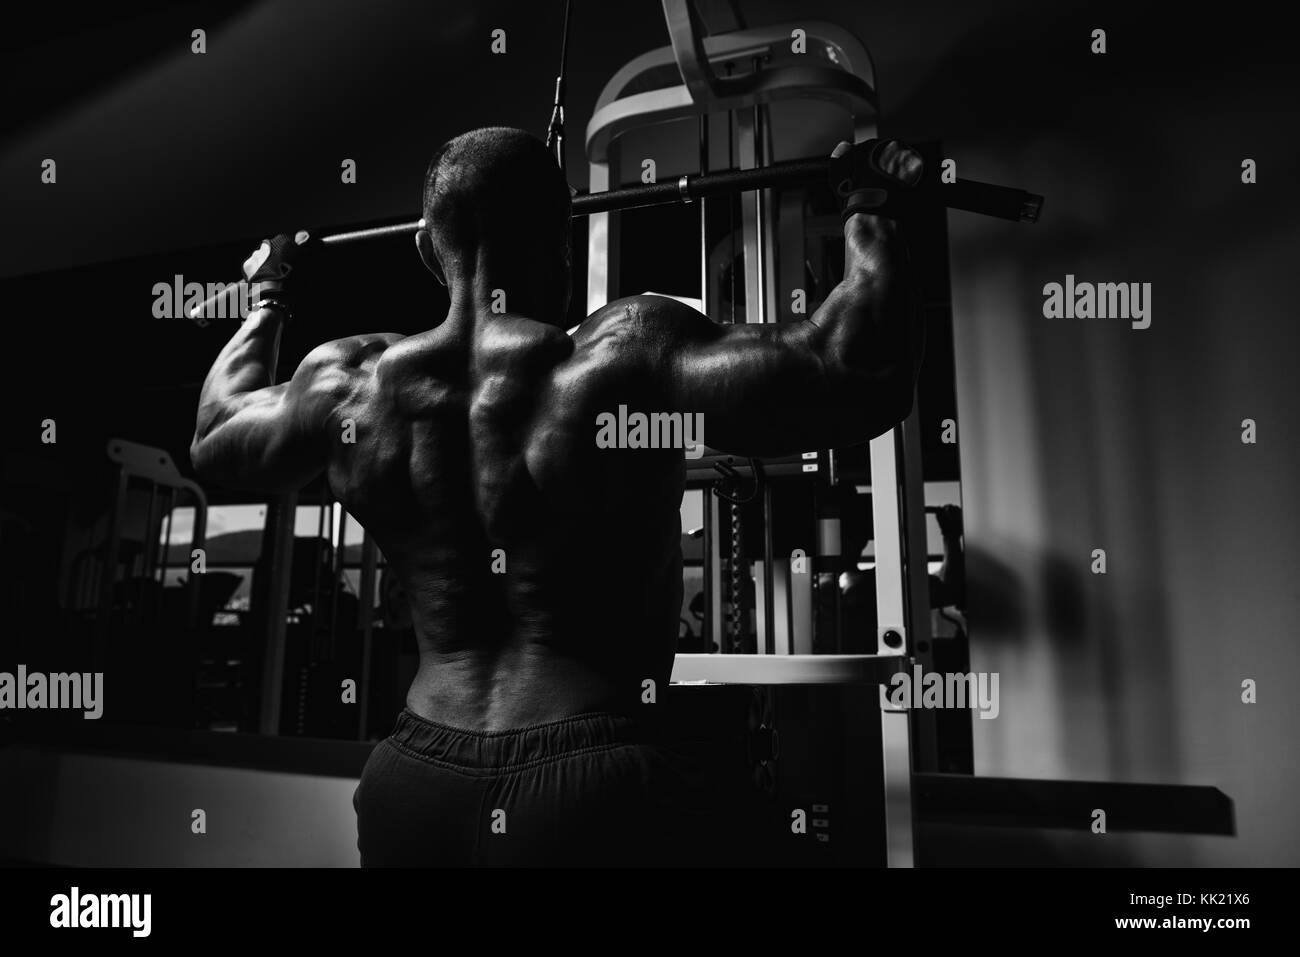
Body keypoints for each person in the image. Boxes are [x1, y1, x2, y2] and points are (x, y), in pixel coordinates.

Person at [190, 127, 924, 865]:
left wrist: (271, 296)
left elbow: (217, 430)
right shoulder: (623, 359)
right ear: (561, 240)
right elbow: (858, 370)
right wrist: (871, 204)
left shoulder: (350, 386)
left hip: (411, 783)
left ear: (425, 247)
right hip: (595, 788)